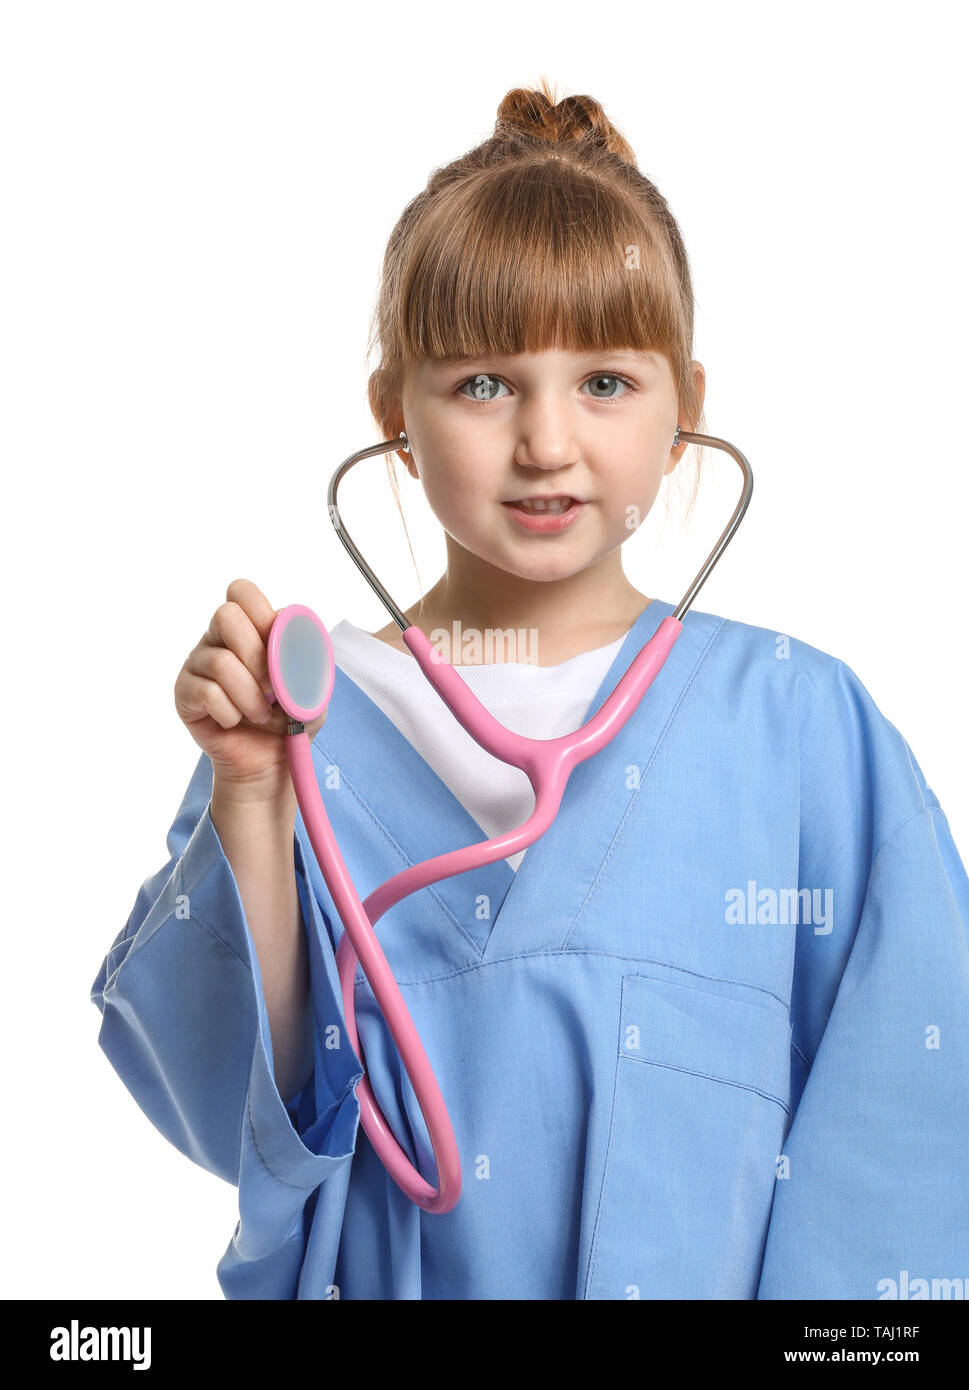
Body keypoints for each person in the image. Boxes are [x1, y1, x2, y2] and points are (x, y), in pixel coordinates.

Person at [91, 79, 969, 1301]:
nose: (549, 442)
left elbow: (911, 1136)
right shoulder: (297, 728)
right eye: (485, 384)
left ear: (686, 411)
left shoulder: (803, 731)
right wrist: (249, 797)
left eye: (606, 381)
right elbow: (232, 1109)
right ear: (394, 415)